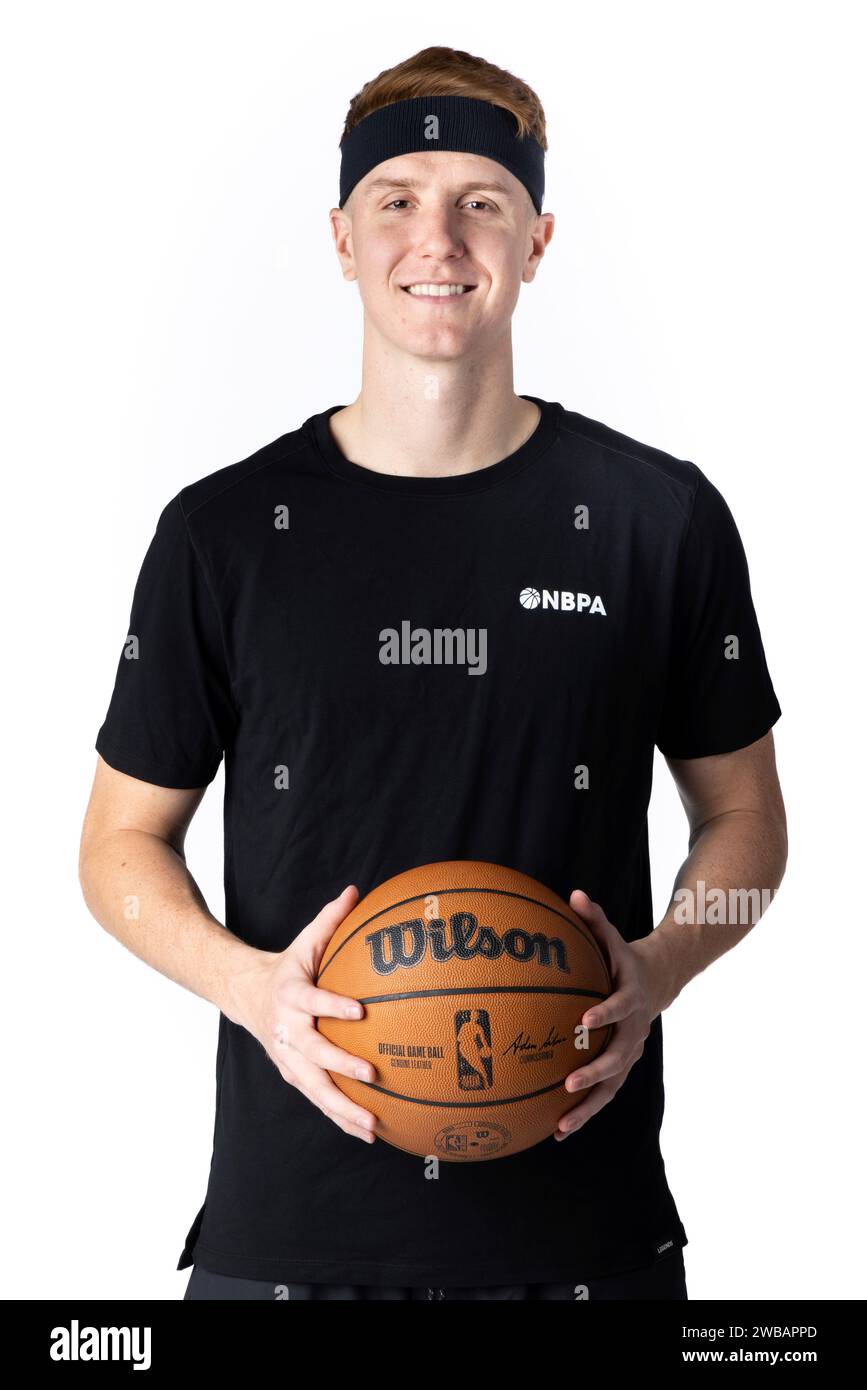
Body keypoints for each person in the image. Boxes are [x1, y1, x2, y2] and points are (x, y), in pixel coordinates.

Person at [79, 45, 786, 1302]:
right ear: (342, 239)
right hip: (289, 1239)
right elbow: (116, 849)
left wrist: (664, 964)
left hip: (587, 1238)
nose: (439, 239)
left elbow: (747, 821)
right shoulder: (225, 533)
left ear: (539, 238)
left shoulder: (656, 519)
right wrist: (253, 991)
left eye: (483, 201)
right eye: (397, 198)